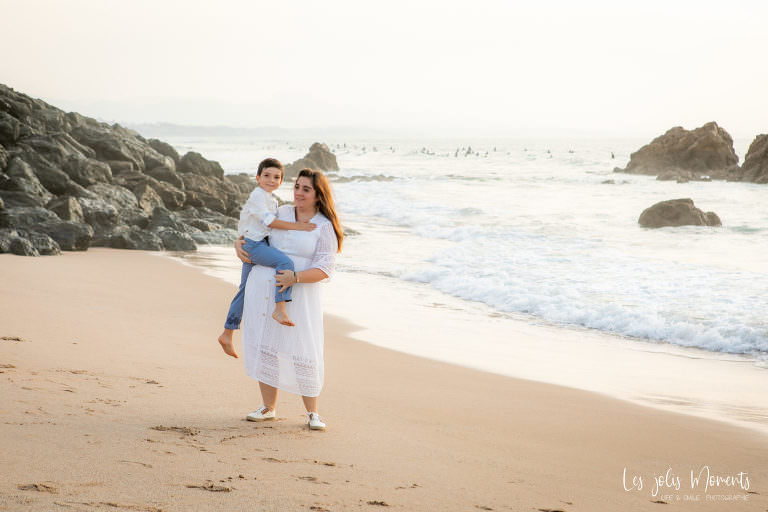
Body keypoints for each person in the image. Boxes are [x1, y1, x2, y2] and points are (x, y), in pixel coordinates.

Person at [236, 168, 343, 430]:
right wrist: (238, 244)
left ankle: (312, 413)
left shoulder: (324, 225)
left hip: (302, 294)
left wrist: (295, 278)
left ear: (319, 195)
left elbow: (325, 268)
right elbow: (253, 233)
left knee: (303, 349)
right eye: (297, 186)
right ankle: (268, 407)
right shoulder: (281, 212)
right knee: (266, 345)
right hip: (263, 289)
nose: (299, 192)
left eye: (306, 189)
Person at [217, 158, 317, 360]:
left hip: (254, 242)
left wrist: (240, 238)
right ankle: (280, 308)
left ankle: (227, 333)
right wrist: (298, 226)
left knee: (243, 290)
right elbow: (268, 221)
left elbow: (251, 220)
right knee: (285, 264)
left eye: (277, 177)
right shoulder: (257, 196)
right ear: (257, 177)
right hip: (254, 245)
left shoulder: (272, 199)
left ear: (281, 181)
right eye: (267, 176)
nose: (271, 180)